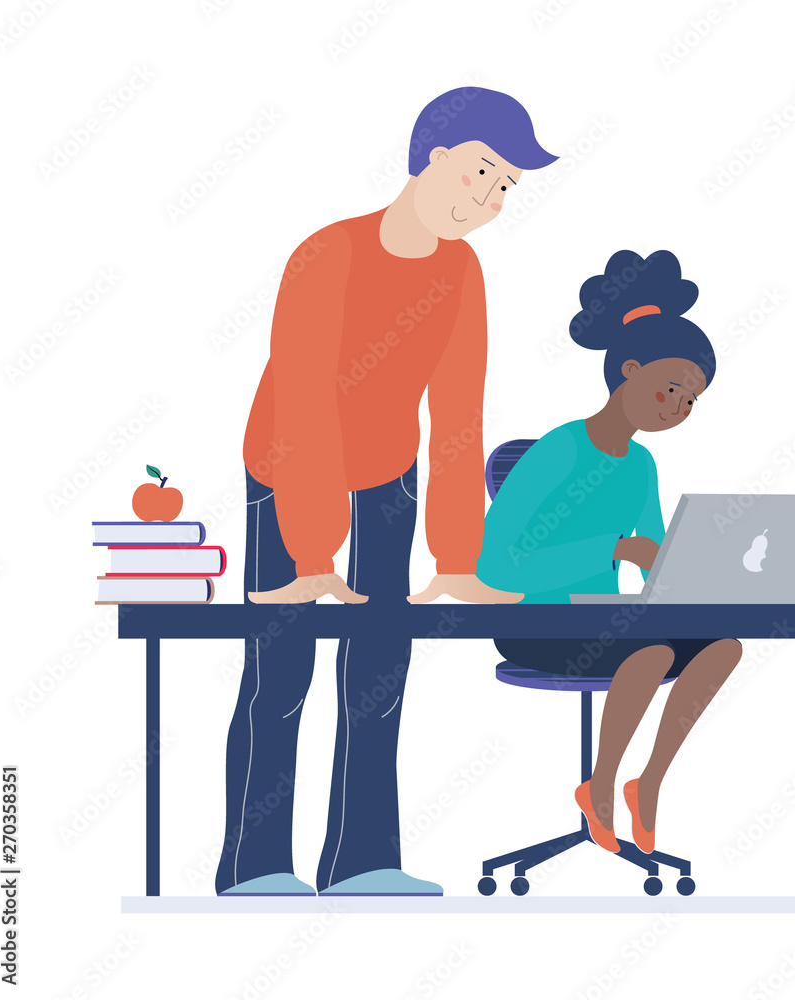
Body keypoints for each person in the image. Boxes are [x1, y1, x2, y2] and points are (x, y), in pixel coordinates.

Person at [216, 88, 556, 897]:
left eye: (506, 187)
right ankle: (255, 863)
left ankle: (363, 858)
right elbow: (301, 404)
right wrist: (310, 549)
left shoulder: (462, 273)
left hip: (387, 473)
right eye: (482, 172)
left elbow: (459, 416)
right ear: (431, 157)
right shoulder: (326, 256)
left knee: (379, 663)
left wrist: (456, 556)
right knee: (281, 668)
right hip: (288, 469)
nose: (489, 199)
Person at [476, 249, 743, 854]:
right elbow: (495, 566)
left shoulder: (643, 464)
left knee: (723, 646)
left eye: (691, 400)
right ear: (627, 369)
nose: (678, 406)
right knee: (648, 653)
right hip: (533, 619)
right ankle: (598, 787)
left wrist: (684, 575)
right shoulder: (558, 451)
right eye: (672, 387)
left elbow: (650, 557)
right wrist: (612, 546)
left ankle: (644, 786)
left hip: (606, 619)